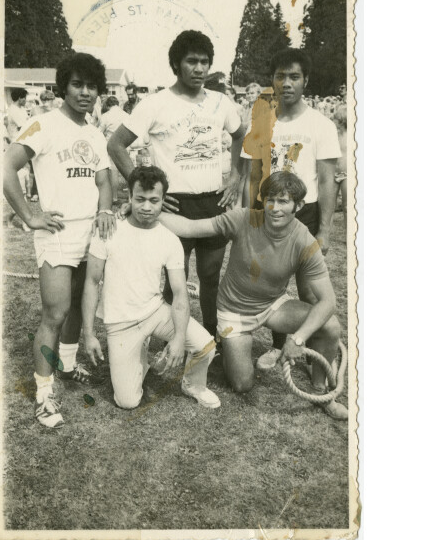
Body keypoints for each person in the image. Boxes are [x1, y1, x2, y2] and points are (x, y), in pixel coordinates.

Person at [158, 172, 346, 419]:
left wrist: (299, 338)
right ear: (262, 199)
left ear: (298, 206)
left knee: (331, 327)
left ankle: (321, 391)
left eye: (283, 201)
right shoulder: (243, 219)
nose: (275, 208)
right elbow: (191, 226)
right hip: (234, 311)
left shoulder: (305, 241)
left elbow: (328, 301)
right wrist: (146, 210)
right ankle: (225, 346)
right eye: (270, 200)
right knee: (242, 385)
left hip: (273, 305)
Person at [3, 52, 117, 428]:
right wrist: (30, 216)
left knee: (77, 304)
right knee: (55, 312)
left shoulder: (95, 132)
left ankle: (67, 364)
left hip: (92, 233)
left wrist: (104, 209)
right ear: (63, 87)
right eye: (77, 85)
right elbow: (5, 167)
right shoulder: (43, 124)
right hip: (57, 233)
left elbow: (104, 180)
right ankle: (43, 393)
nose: (85, 92)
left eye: (92, 86)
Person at [107, 29, 246, 338]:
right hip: (173, 205)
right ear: (176, 64)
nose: (199, 69)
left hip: (213, 201)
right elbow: (116, 145)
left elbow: (240, 136)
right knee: (174, 278)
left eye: (205, 62)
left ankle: (212, 335)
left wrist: (235, 176)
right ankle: (175, 338)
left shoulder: (221, 103)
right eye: (191, 61)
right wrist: (143, 189)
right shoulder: (154, 104)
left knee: (210, 276)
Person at [82, 166, 221, 410]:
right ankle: (139, 354)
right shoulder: (108, 230)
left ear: (163, 201)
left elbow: (179, 293)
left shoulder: (169, 238)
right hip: (121, 322)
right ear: (129, 198)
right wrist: (89, 333)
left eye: (154, 200)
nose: (147, 207)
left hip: (155, 312)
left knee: (206, 346)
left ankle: (193, 385)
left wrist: (178, 338)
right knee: (127, 402)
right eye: (140, 199)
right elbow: (92, 282)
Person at [240, 49, 342, 352]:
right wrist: (249, 217)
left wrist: (323, 230)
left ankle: (312, 356)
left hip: (305, 214)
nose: (286, 83)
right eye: (280, 76)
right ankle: (277, 346)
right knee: (271, 285)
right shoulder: (260, 124)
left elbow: (326, 181)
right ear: (272, 80)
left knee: (310, 292)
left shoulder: (321, 125)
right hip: (267, 213)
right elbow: (254, 177)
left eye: (294, 76)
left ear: (305, 81)